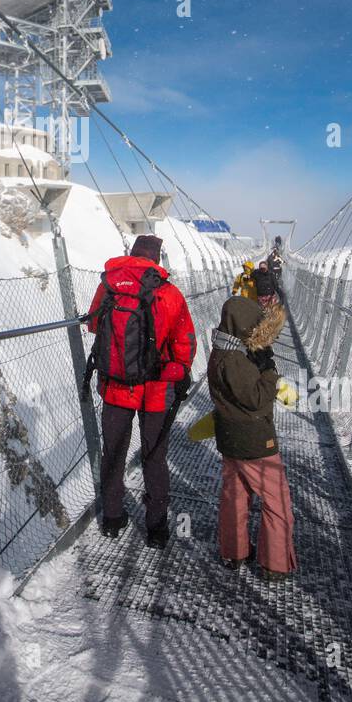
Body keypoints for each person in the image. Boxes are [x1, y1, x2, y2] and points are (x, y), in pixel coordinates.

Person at [86, 235, 196, 548]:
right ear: (157, 259)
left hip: (115, 386)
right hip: (156, 390)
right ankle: (157, 528)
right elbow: (184, 339)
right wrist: (179, 368)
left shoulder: (109, 284)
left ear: (131, 254)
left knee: (114, 454)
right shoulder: (168, 292)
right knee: (154, 456)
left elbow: (94, 324)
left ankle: (111, 518)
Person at [207, 295, 296, 581]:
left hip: (229, 438)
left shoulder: (222, 351)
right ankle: (275, 563)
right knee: (276, 502)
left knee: (235, 497)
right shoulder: (234, 361)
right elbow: (256, 398)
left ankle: (234, 552)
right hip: (256, 443)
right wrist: (269, 372)